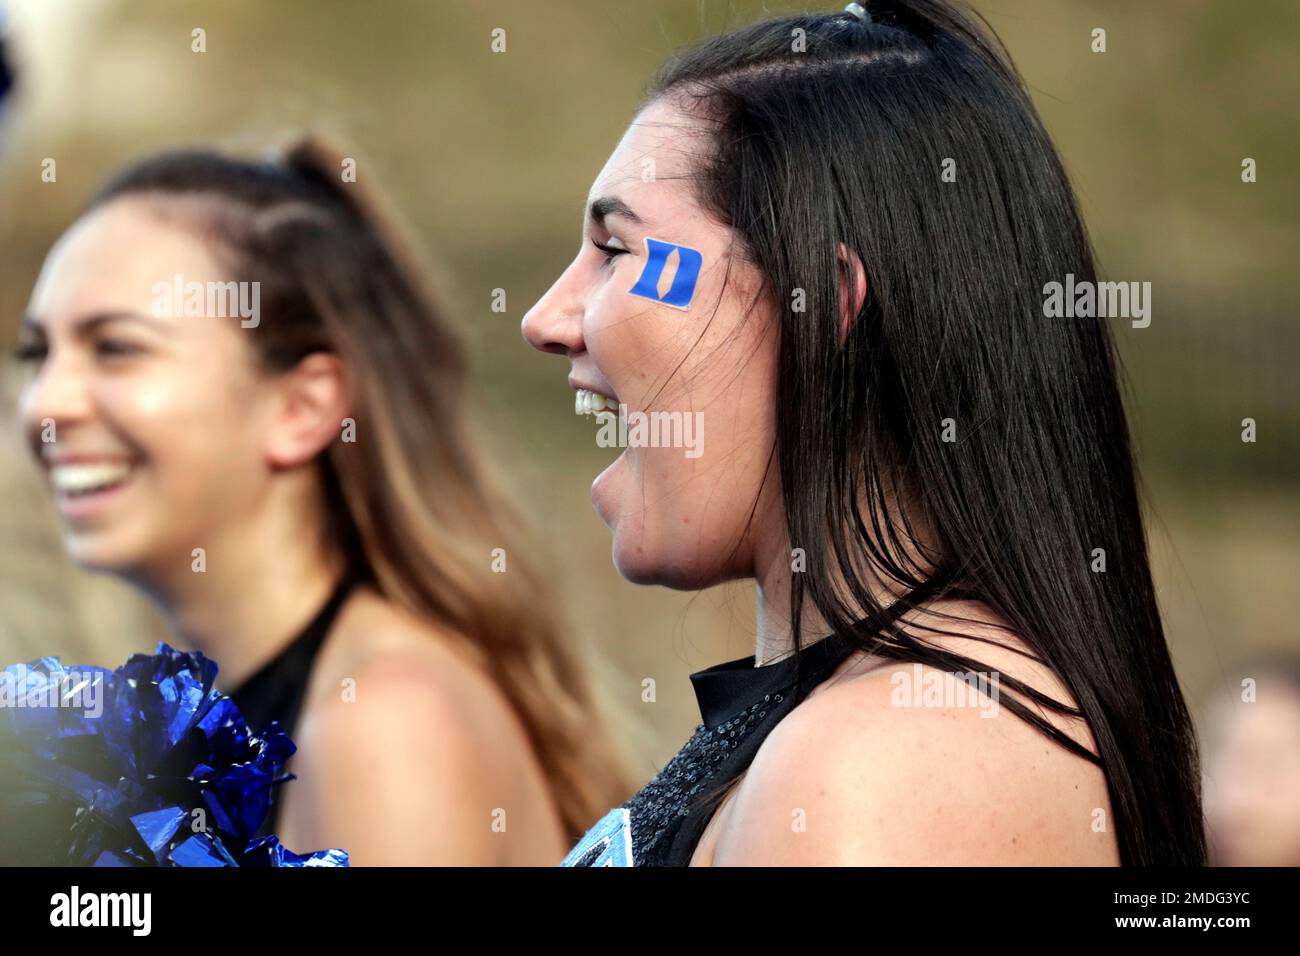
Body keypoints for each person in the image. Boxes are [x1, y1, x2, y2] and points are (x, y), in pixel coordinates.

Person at [523, 0, 1205, 866]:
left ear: (821, 300)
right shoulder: (875, 726)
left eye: (616, 251)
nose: (546, 319)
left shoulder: (883, 767)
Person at [15, 135, 631, 865]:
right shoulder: (243, 713)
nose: (45, 404)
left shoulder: (384, 722)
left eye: (115, 347)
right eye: (35, 354)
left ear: (303, 406)